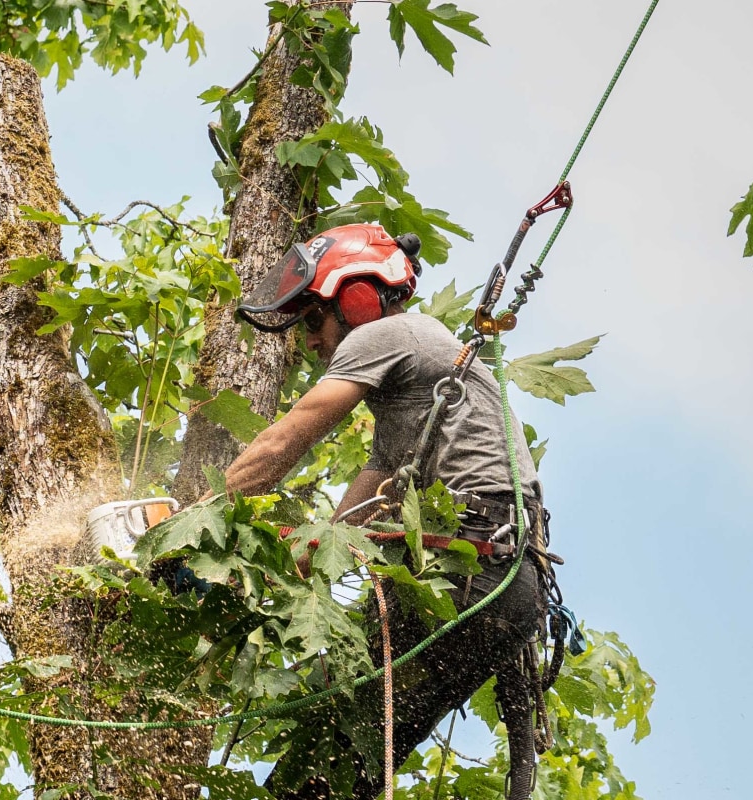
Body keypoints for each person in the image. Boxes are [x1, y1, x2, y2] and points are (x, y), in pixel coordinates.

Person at [224, 222, 550, 800]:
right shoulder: (416, 393)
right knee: (340, 770)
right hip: (503, 586)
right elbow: (349, 523)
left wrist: (193, 524)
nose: (309, 343)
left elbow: (276, 450)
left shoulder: (386, 336)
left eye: (310, 321)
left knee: (327, 753)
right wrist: (263, 575)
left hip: (471, 572)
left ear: (353, 298)